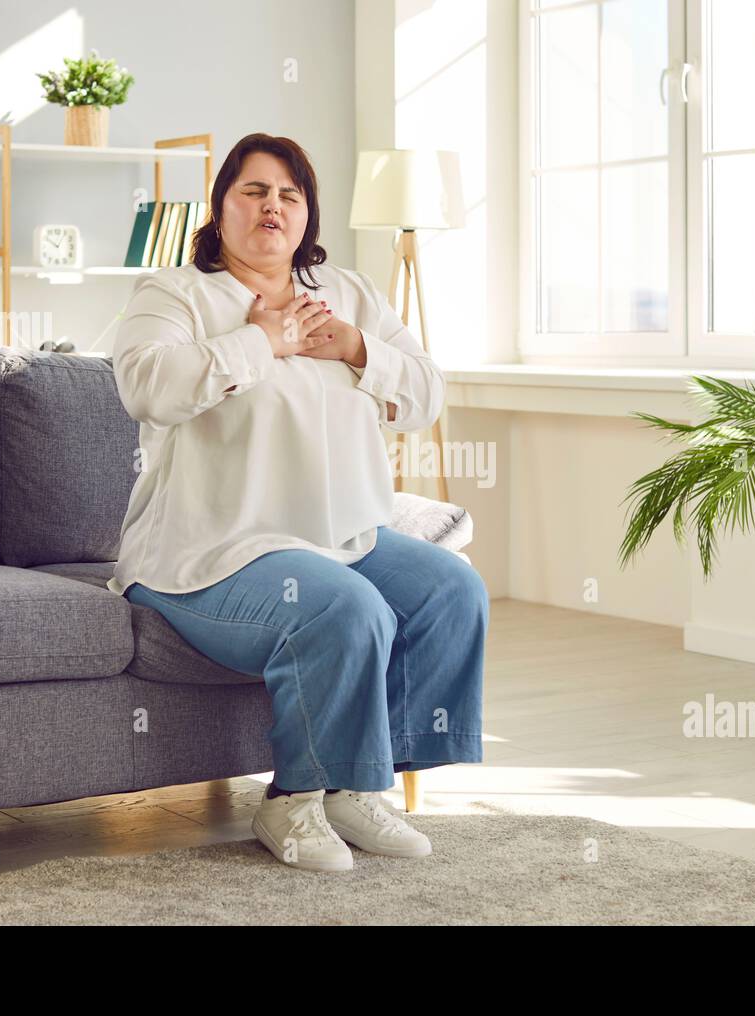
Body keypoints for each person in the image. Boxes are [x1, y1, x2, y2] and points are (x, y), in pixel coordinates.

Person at [107, 133, 488, 872]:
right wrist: (261, 342)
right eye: (253, 190)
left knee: (452, 589)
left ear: (308, 215)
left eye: (289, 194)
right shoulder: (175, 295)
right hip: (209, 550)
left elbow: (428, 392)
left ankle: (355, 784)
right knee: (345, 609)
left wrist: (358, 350)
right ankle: (292, 799)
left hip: (341, 535)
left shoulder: (349, 296)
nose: (272, 206)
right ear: (221, 209)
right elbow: (146, 388)